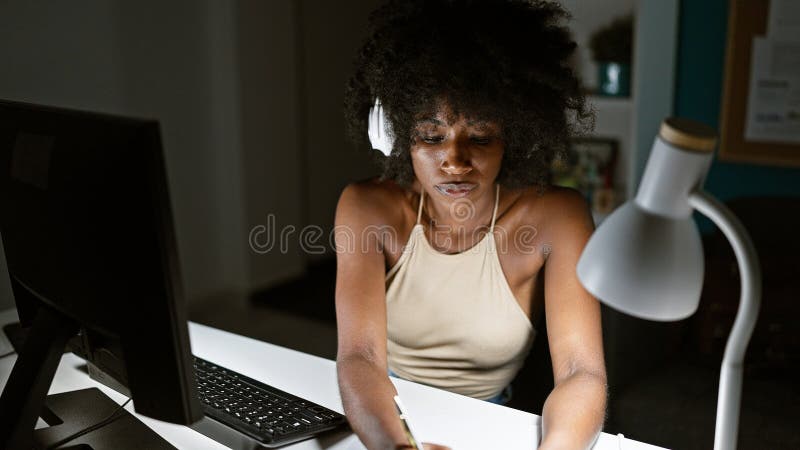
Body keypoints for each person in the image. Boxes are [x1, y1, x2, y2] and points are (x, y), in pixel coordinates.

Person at [334, 1, 606, 449]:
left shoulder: (558, 217)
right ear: (396, 133)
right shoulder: (366, 208)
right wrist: (400, 447)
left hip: (491, 422)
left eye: (480, 138)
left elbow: (583, 372)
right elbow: (358, 357)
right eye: (431, 136)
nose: (455, 162)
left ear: (515, 135)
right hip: (384, 415)